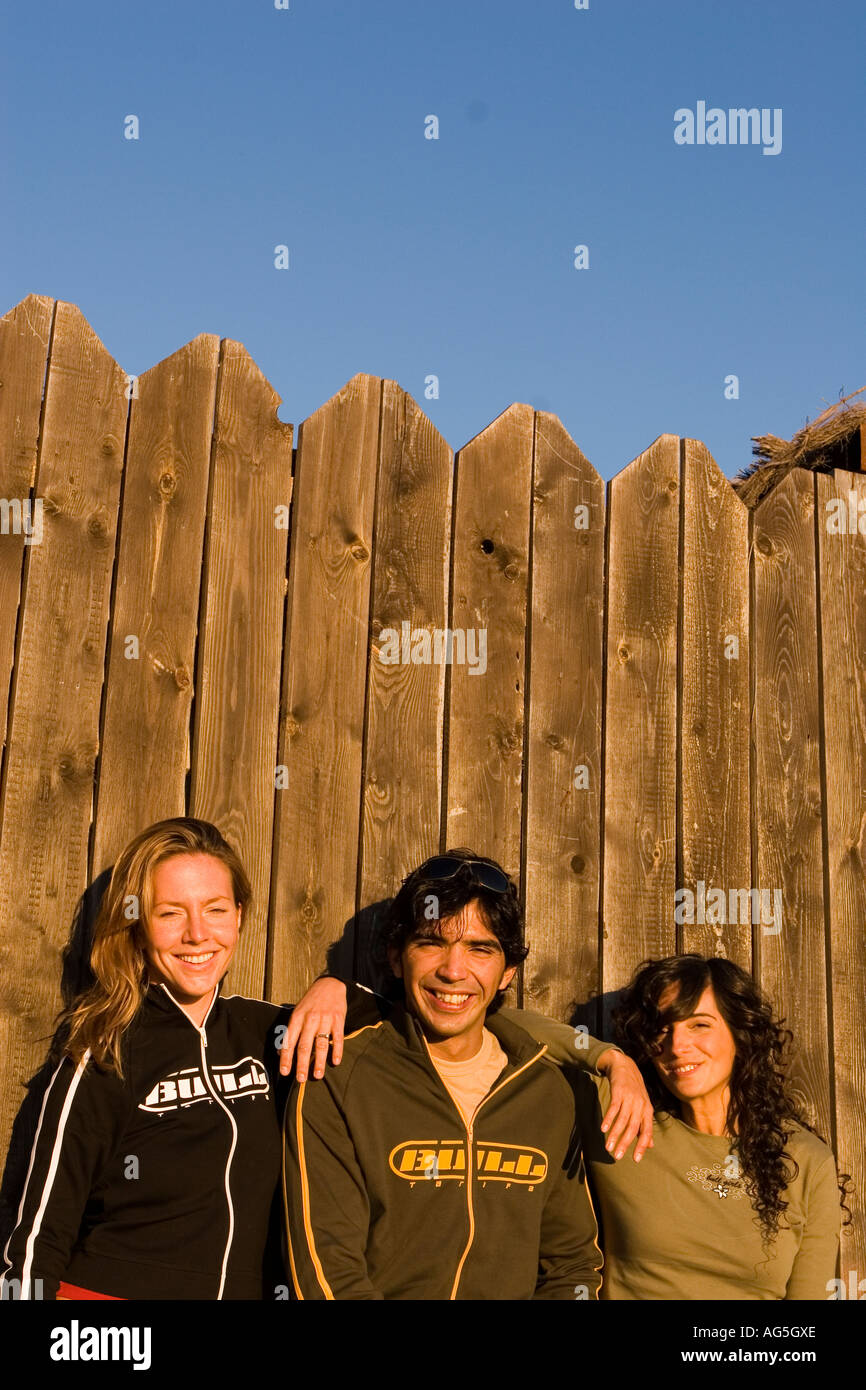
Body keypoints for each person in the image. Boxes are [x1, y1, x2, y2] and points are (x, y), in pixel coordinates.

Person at [0, 817, 349, 1301]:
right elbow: (39, 1231)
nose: (197, 934)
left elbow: (408, 1019)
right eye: (170, 914)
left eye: (216, 909)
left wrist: (337, 988)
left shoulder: (270, 1033)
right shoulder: (103, 1054)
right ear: (138, 927)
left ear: (240, 915)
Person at [283, 850, 613, 1300]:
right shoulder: (338, 1076)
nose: (453, 971)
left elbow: (572, 1262)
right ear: (397, 960)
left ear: (507, 973)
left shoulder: (546, 1092)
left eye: (480, 949)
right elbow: (328, 1272)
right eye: (431, 943)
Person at [516, 953, 845, 1299]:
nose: (676, 1046)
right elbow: (503, 1023)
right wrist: (613, 1060)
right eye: (662, 1028)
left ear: (740, 1034)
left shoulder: (806, 1161)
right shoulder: (622, 1118)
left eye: (699, 1025)